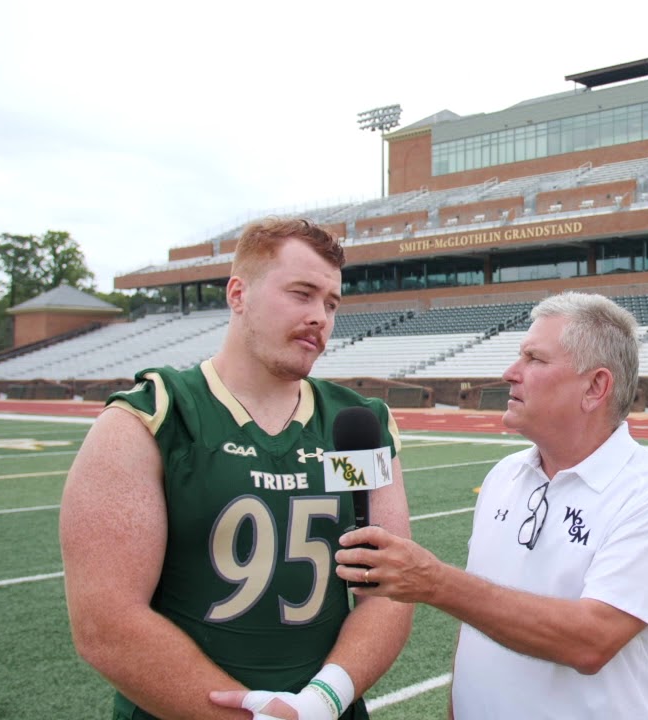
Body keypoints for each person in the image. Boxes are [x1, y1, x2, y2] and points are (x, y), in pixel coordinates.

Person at [60, 218, 414, 720]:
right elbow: (108, 623)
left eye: (331, 303)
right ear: (238, 293)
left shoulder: (351, 428)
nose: (320, 317)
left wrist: (321, 700)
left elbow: (385, 591)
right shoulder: (156, 417)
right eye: (302, 293)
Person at [335, 292, 648, 719]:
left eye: (534, 359)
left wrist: (434, 582)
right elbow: (475, 629)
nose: (511, 373)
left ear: (595, 387)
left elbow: (591, 641)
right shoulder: (504, 476)